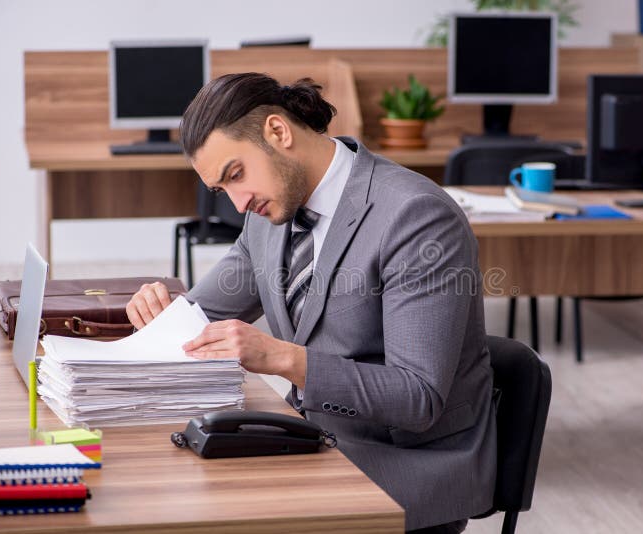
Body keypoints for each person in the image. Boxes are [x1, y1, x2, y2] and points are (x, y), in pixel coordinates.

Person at [126, 72, 496, 533]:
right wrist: (162, 315)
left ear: (278, 132)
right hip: (317, 442)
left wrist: (282, 358)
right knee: (166, 487)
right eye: (223, 190)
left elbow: (418, 398)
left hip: (406, 466)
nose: (238, 204)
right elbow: (200, 317)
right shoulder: (269, 214)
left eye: (236, 175)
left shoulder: (415, 216)